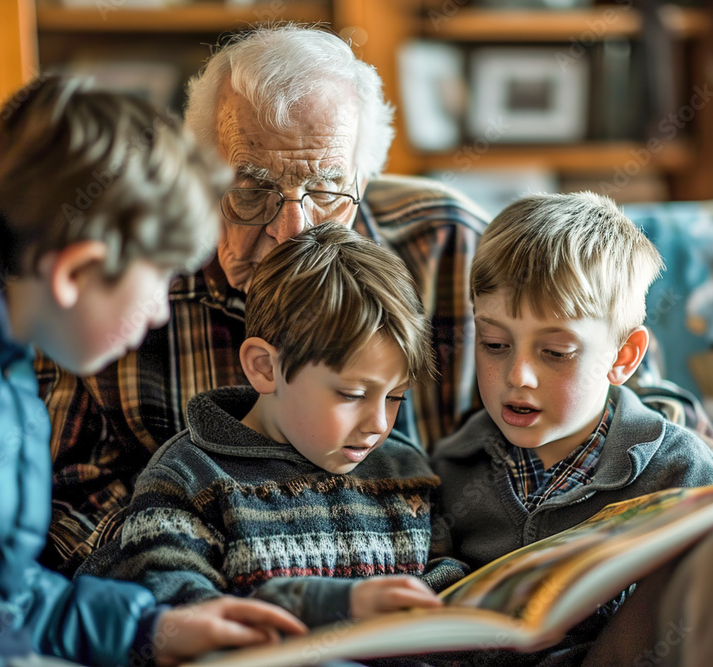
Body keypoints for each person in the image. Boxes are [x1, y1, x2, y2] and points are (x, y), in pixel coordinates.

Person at [36, 24, 490, 577]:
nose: (292, 230)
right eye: (251, 192)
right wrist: (198, 573)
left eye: (325, 191)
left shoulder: (451, 246)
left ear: (365, 178)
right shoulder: (129, 278)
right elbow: (65, 494)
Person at [0, 76, 305, 667]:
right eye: (157, 277)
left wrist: (152, 630)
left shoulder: (1, 357)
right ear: (77, 270)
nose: (160, 309)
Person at [77, 223, 469, 629]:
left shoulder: (403, 471)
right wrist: (324, 605)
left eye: (395, 397)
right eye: (352, 394)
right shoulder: (190, 479)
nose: (379, 424)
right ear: (265, 368)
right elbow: (177, 608)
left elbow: (442, 575)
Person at [430, 193, 713, 663]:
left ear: (624, 357)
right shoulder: (452, 465)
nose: (518, 376)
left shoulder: (681, 472)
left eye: (555, 353)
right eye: (494, 344)